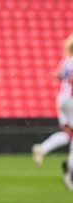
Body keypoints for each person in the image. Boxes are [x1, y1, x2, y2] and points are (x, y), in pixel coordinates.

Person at [32, 34, 73, 168]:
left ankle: (42, 148)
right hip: (71, 100)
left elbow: (57, 75)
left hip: (62, 99)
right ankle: (70, 166)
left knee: (68, 135)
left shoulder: (66, 60)